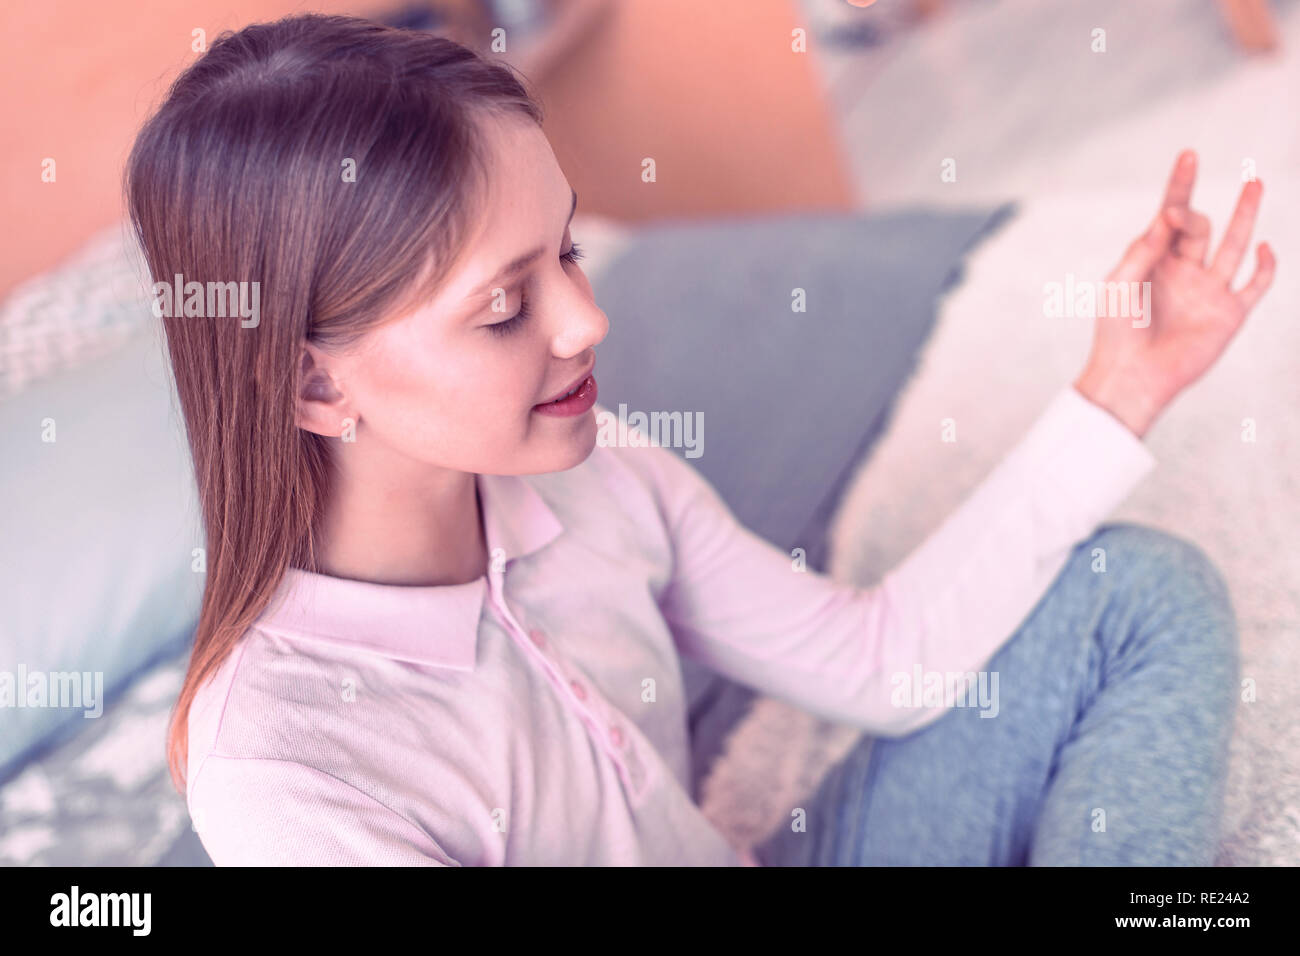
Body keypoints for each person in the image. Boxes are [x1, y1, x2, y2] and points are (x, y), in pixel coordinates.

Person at [125, 13, 1274, 865]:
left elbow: (883, 662)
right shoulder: (286, 766)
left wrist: (1123, 381)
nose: (587, 320)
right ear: (314, 384)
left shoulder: (597, 477)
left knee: (1134, 592)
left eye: (566, 252)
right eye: (502, 305)